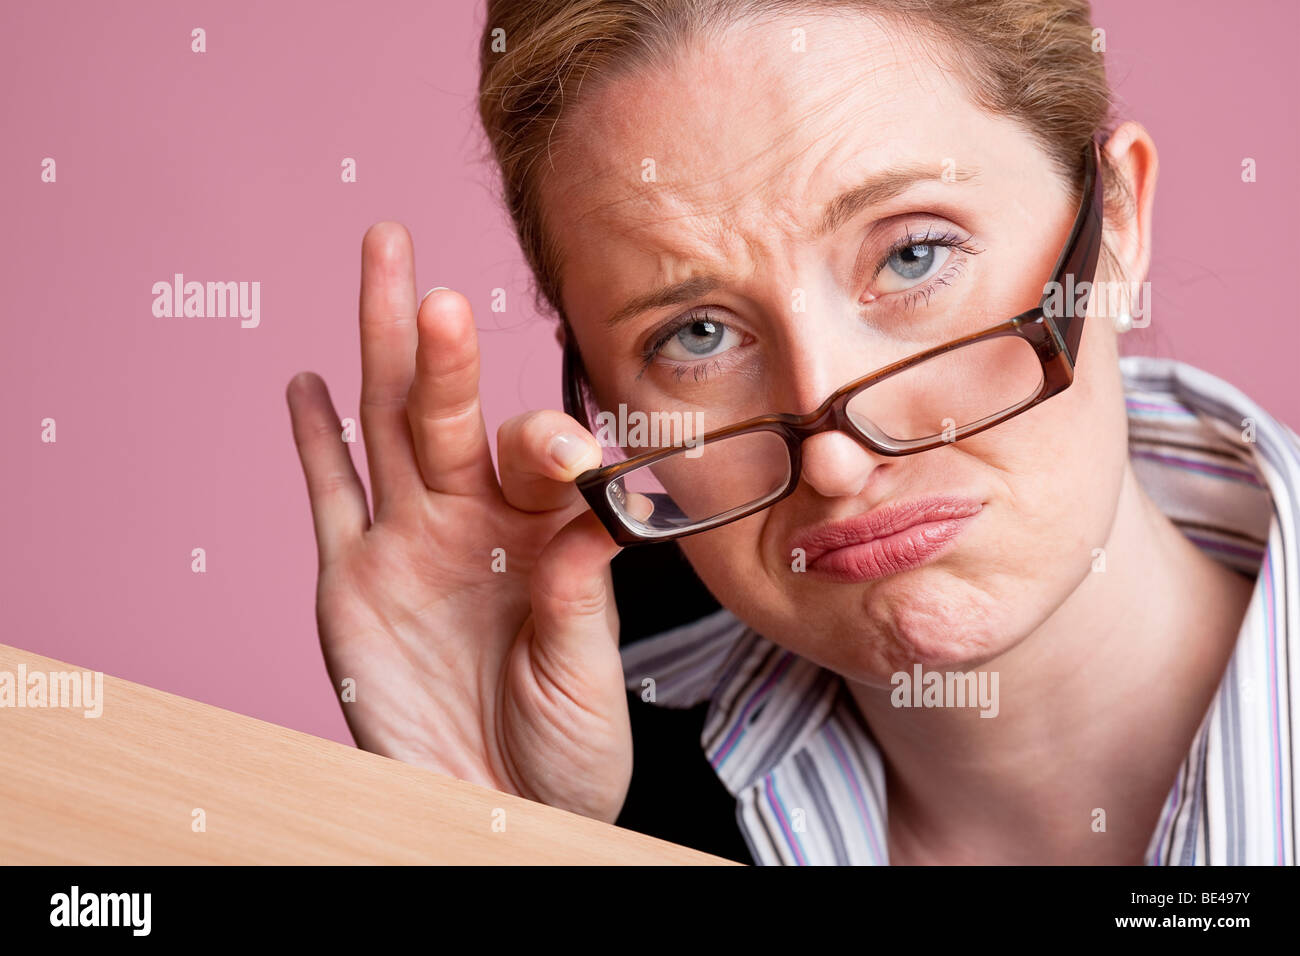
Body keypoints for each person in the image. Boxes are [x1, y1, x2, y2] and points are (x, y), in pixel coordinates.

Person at [284, 0, 1300, 864]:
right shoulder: (594, 774)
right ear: (597, 398)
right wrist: (487, 834)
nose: (835, 456)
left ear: (1113, 225)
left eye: (912, 258)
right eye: (697, 333)